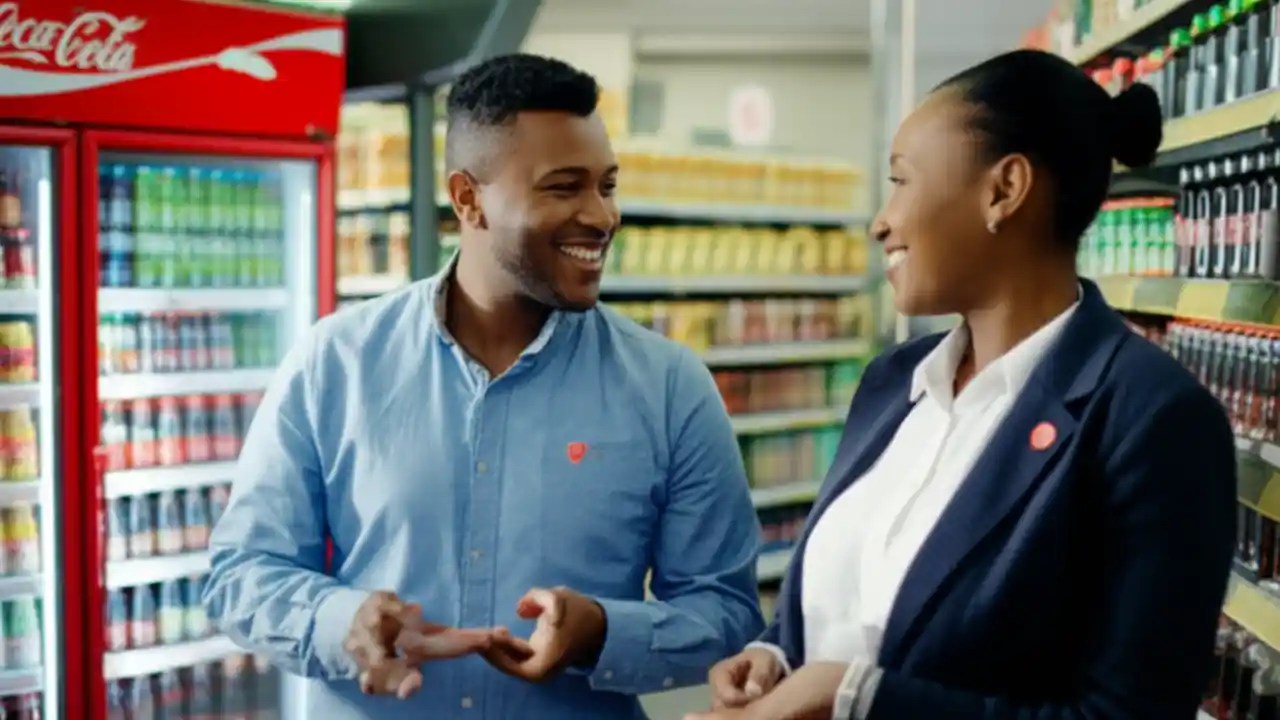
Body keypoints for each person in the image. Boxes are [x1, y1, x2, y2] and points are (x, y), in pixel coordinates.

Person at [203, 53, 765, 720]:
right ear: (468, 198)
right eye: (563, 187)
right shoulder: (336, 363)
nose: (602, 215)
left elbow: (725, 608)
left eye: (606, 185)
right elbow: (240, 574)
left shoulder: (672, 388)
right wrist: (341, 619)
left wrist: (605, 632)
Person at [689, 49, 1236, 720]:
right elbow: (859, 603)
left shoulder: (1153, 418)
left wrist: (853, 696)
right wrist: (775, 658)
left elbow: (1127, 715)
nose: (880, 221)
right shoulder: (893, 383)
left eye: (901, 180)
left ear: (1003, 190)